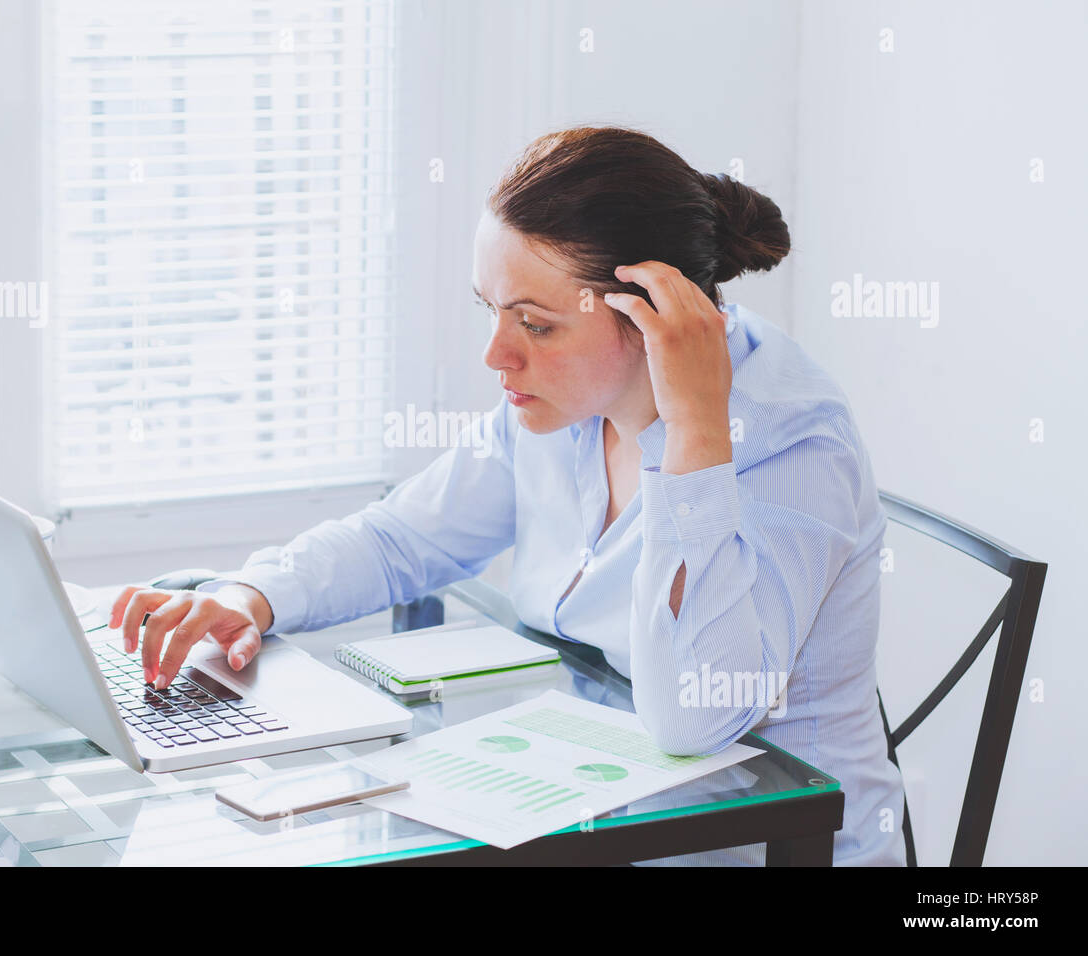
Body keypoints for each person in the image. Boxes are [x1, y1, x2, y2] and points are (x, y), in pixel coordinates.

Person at [109, 125, 907, 866]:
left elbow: (692, 720)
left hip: (751, 848)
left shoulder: (791, 441)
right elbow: (404, 540)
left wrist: (692, 432)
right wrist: (254, 596)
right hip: (589, 811)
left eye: (536, 324)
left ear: (651, 319)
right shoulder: (561, 406)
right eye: (491, 312)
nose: (497, 355)